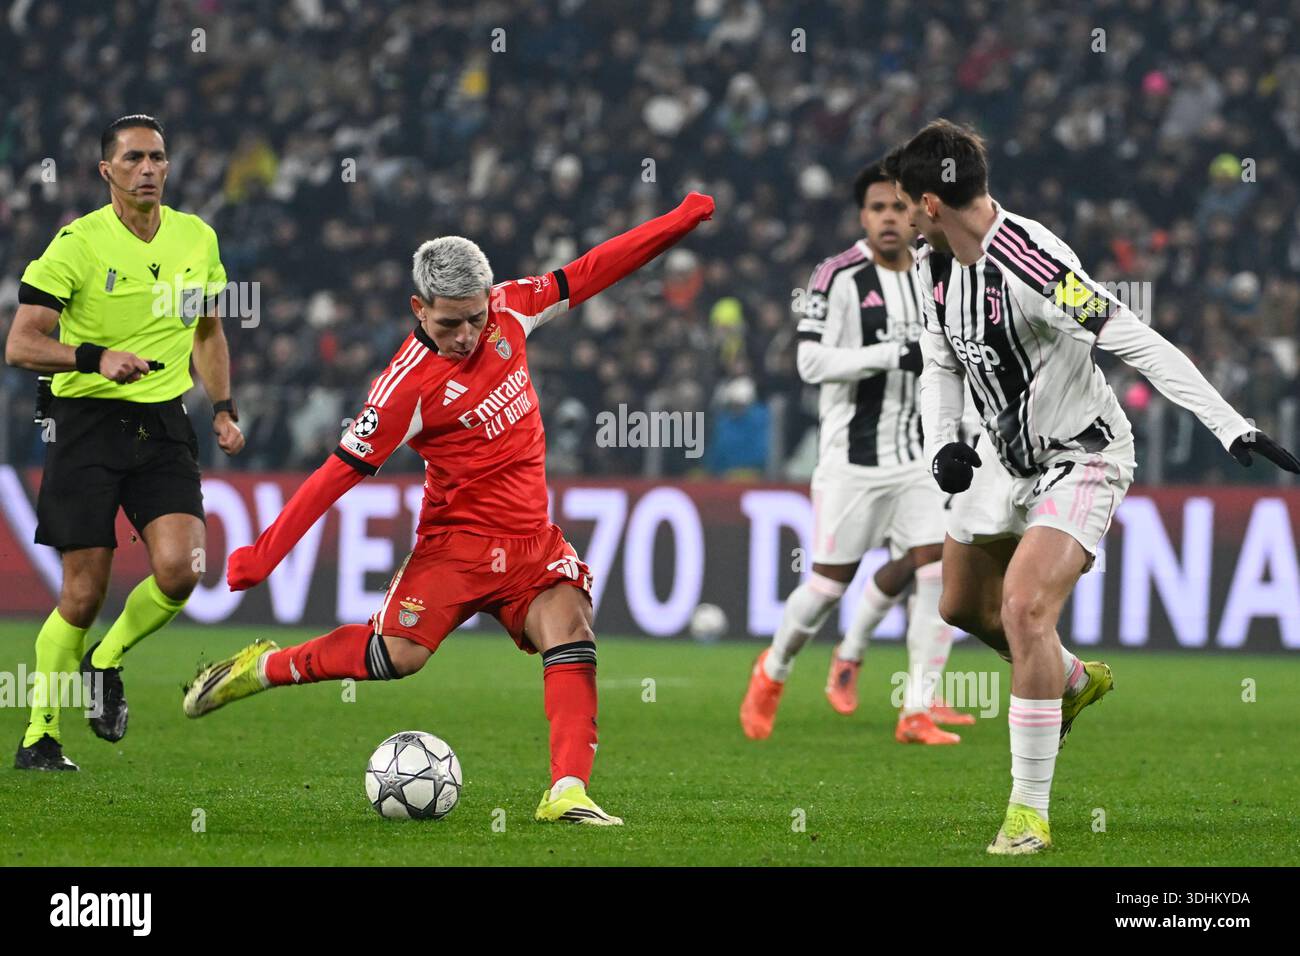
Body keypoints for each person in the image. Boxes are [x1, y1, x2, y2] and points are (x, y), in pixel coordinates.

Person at [182, 193, 716, 826]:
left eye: (473, 318)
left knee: (571, 632)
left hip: (529, 549)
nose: (465, 336)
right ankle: (264, 668)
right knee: (396, 659)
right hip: (454, 548)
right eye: (448, 325)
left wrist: (677, 221)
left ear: (490, 298)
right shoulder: (403, 388)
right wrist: (263, 554)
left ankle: (567, 791)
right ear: (418, 308)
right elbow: (333, 478)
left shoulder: (513, 309)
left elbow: (594, 268)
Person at [890, 119, 1299, 854]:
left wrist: (1229, 423)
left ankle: (1027, 815)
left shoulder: (1034, 264)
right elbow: (942, 359)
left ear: (927, 201)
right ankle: (1071, 680)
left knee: (1023, 608)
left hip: (1083, 454)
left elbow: (1135, 337)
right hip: (999, 457)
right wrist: (946, 439)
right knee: (959, 605)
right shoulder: (933, 264)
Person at [6, 114, 244, 770]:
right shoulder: (76, 244)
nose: (148, 169)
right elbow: (20, 343)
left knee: (182, 569)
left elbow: (208, 332)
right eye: (134, 158)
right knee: (83, 592)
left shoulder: (198, 238)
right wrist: (92, 358)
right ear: (106, 170)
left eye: (158, 157)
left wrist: (222, 407)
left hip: (162, 421)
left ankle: (105, 661)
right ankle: (40, 738)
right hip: (84, 423)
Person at [740, 160, 974, 745]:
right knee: (824, 589)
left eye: (899, 207)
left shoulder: (936, 267)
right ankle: (774, 669)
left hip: (919, 459)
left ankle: (916, 708)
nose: (889, 219)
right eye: (877, 208)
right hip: (851, 463)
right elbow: (810, 362)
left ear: (918, 212)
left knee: (935, 571)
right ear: (862, 216)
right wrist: (889, 355)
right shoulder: (836, 276)